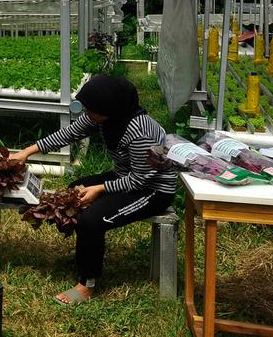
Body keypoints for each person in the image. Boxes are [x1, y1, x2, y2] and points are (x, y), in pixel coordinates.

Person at [11, 75, 176, 305]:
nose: (87, 115)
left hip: (152, 189)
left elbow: (140, 179)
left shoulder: (141, 132)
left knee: (92, 220)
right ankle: (86, 254)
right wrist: (26, 152)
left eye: (91, 110)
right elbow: (68, 134)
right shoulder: (103, 117)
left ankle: (87, 284)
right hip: (126, 178)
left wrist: (100, 188)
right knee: (74, 190)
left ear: (111, 109)